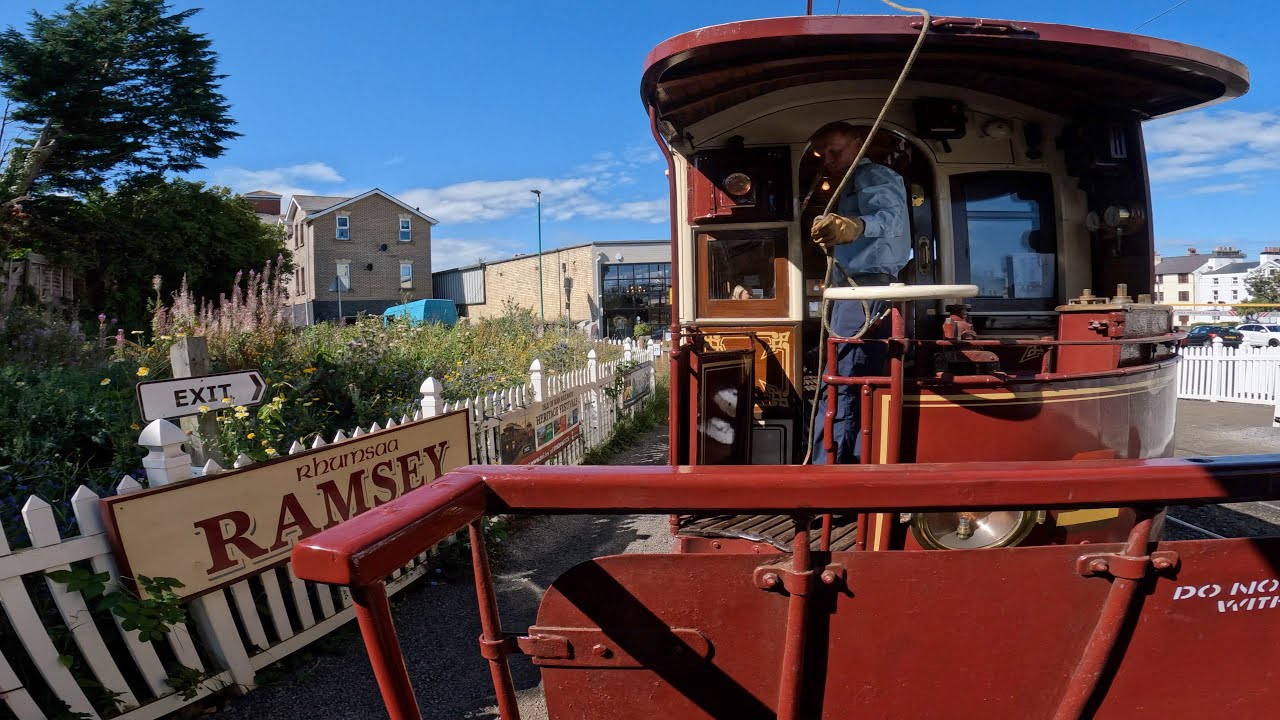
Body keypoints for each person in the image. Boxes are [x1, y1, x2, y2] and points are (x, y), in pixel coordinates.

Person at [808, 122, 910, 464]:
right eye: (825, 153)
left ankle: (831, 474)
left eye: (837, 150)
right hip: (853, 288)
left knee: (843, 380)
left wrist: (856, 226)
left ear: (859, 143)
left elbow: (892, 219)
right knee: (848, 377)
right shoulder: (850, 182)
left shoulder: (872, 175)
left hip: (864, 289)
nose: (831, 159)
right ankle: (847, 463)